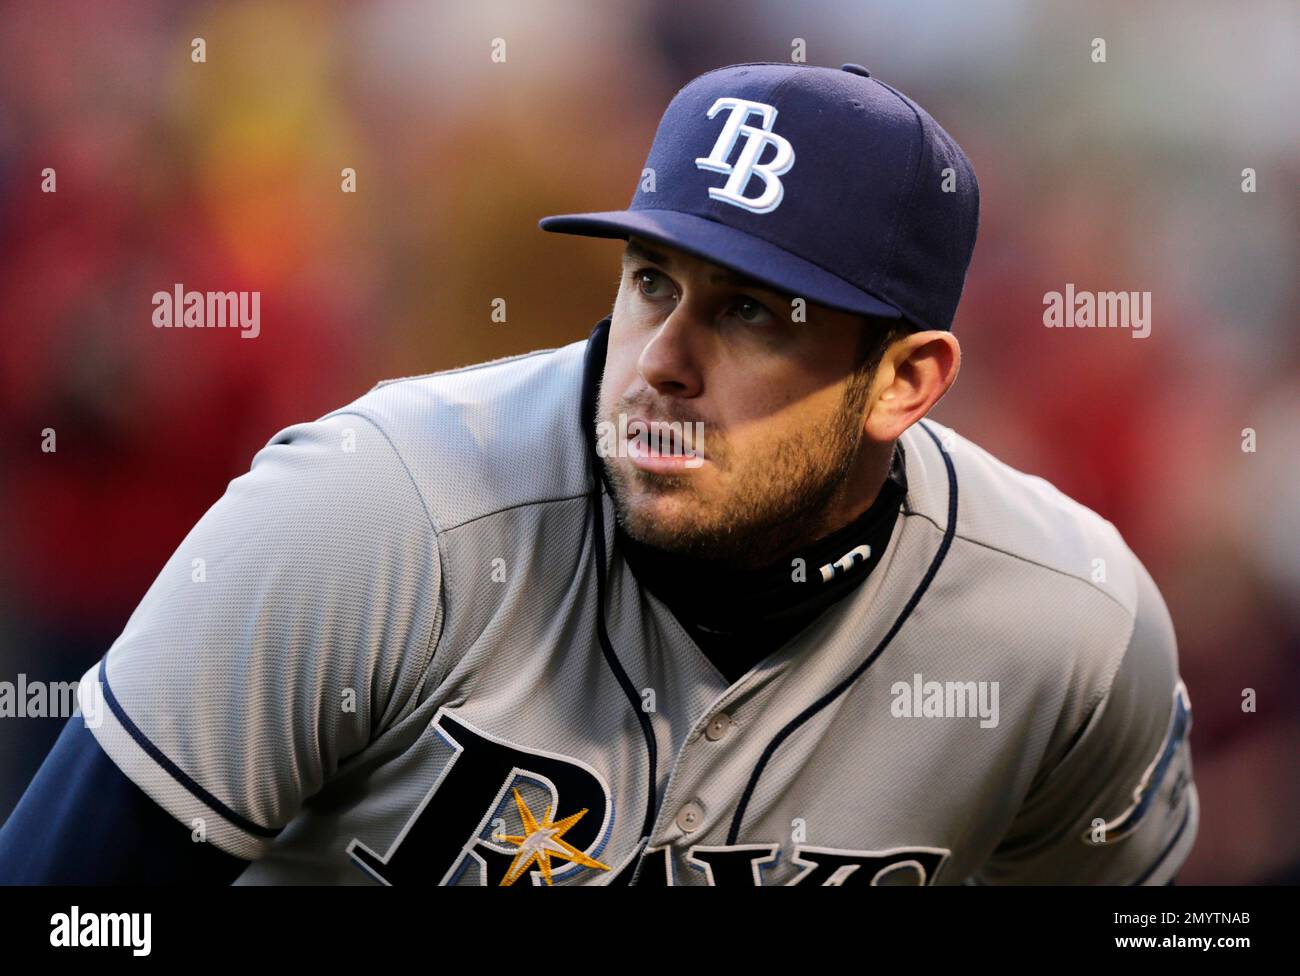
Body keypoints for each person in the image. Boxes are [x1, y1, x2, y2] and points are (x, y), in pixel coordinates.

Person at [0, 62, 1195, 885]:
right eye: (653, 282)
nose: (663, 364)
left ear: (904, 380)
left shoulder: (1070, 623)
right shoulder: (375, 514)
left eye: (754, 313)